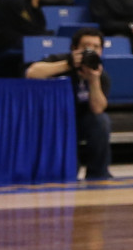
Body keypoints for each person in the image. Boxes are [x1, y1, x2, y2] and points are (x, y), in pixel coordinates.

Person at [27, 28, 112, 180]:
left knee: (101, 121)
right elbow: (31, 73)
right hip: (54, 120)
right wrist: (68, 64)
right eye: (86, 46)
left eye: (96, 47)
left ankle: (98, 174)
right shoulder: (60, 61)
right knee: (70, 172)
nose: (91, 50)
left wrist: (93, 80)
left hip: (82, 121)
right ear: (74, 48)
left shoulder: (100, 74)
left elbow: (98, 109)